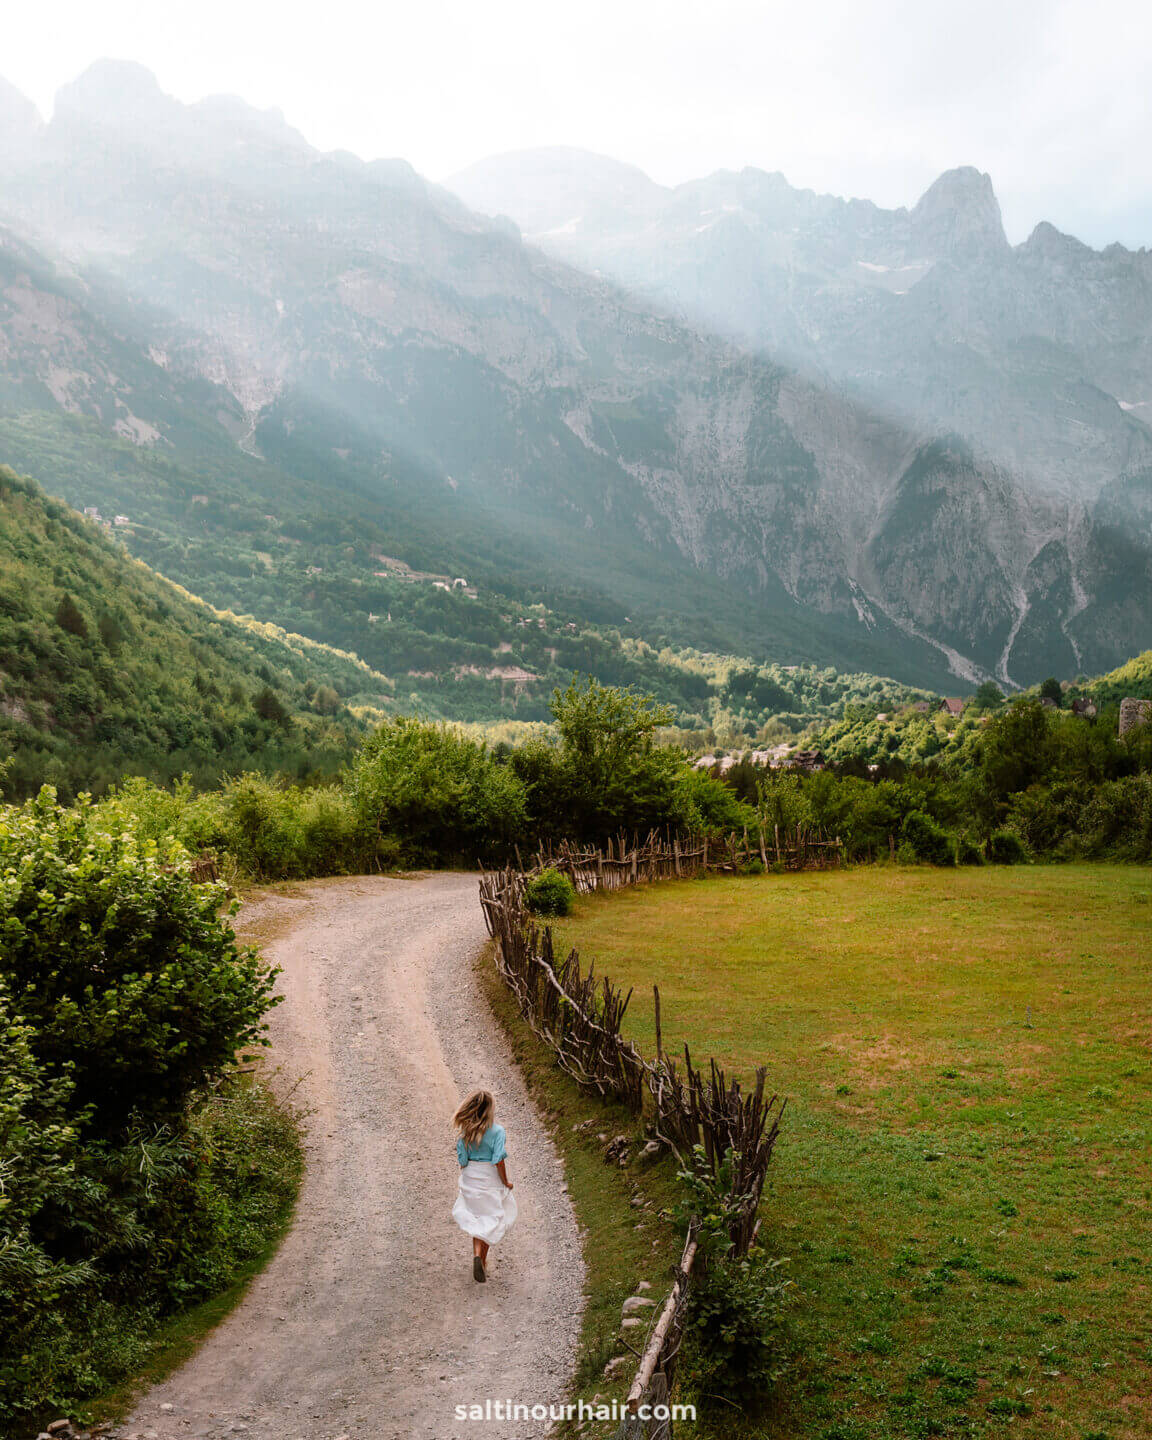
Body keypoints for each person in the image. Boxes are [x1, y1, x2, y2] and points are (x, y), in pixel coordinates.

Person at [451, 1089, 517, 1282]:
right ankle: (481, 1259)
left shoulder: (465, 1133)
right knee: (491, 1219)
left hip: (471, 1176)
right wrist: (505, 1181)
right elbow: (498, 1160)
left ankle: (478, 1257)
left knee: (478, 1219)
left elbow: (462, 1161)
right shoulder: (498, 1131)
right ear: (489, 1110)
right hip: (489, 1177)